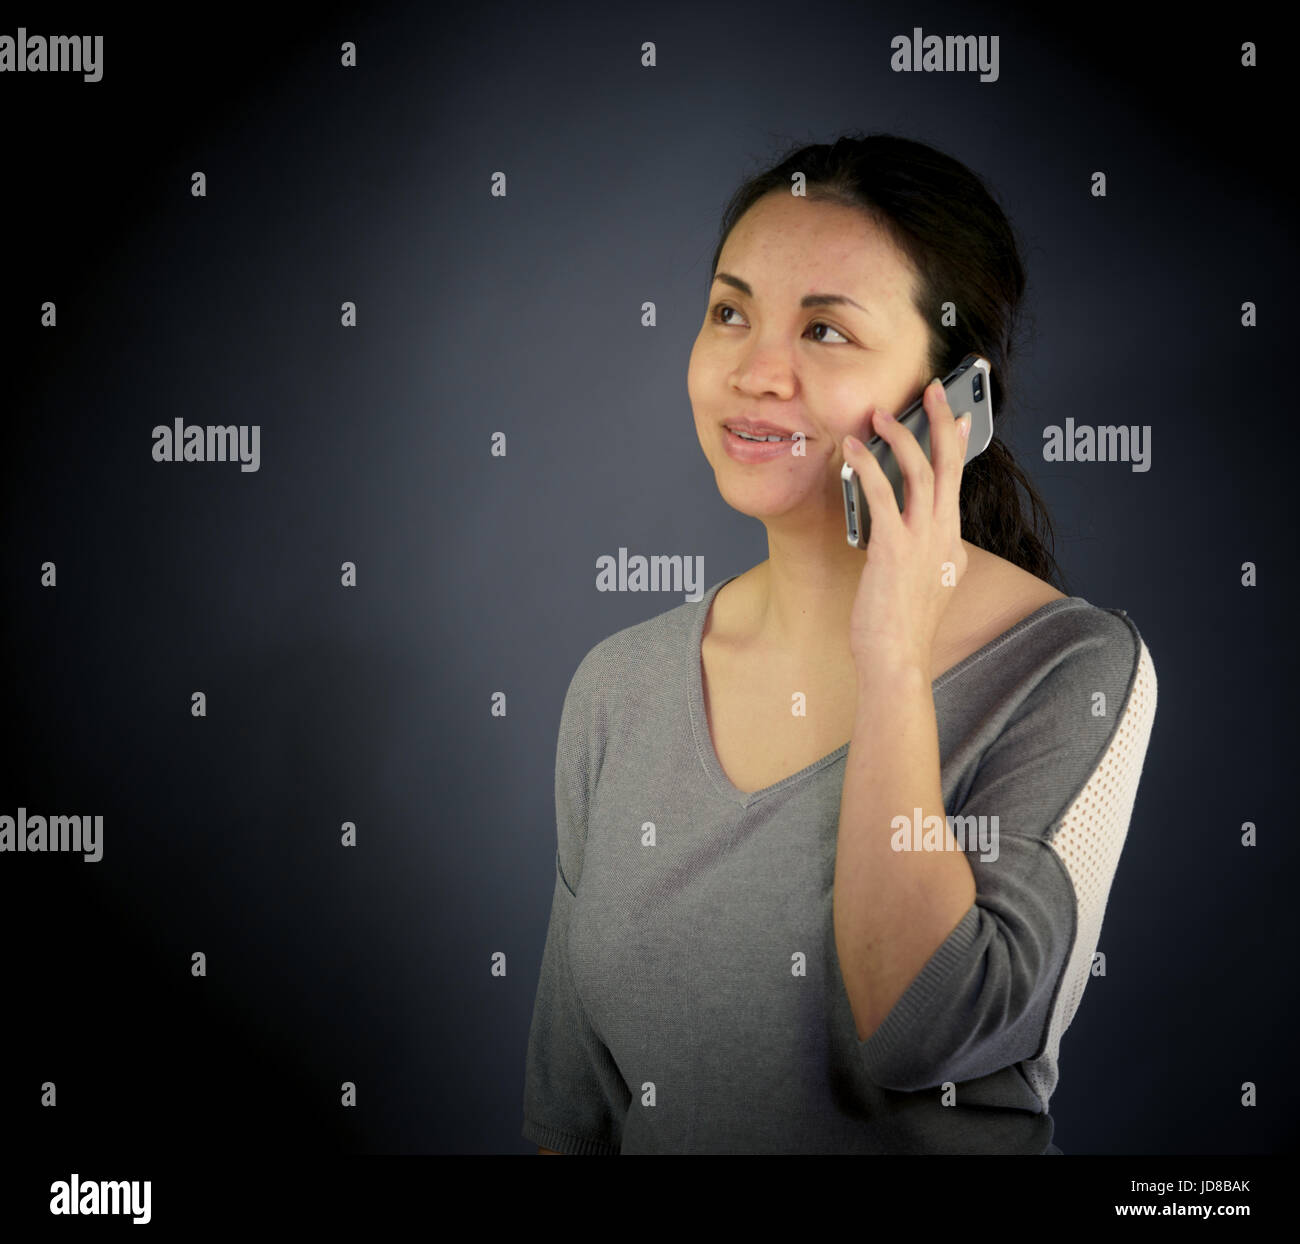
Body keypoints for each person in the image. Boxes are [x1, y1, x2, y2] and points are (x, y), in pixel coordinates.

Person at [523, 132, 1157, 1154]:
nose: (756, 372)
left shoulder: (1067, 668)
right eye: (730, 312)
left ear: (951, 399)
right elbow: (570, 1112)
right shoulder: (619, 685)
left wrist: (894, 657)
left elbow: (922, 1025)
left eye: (825, 332)